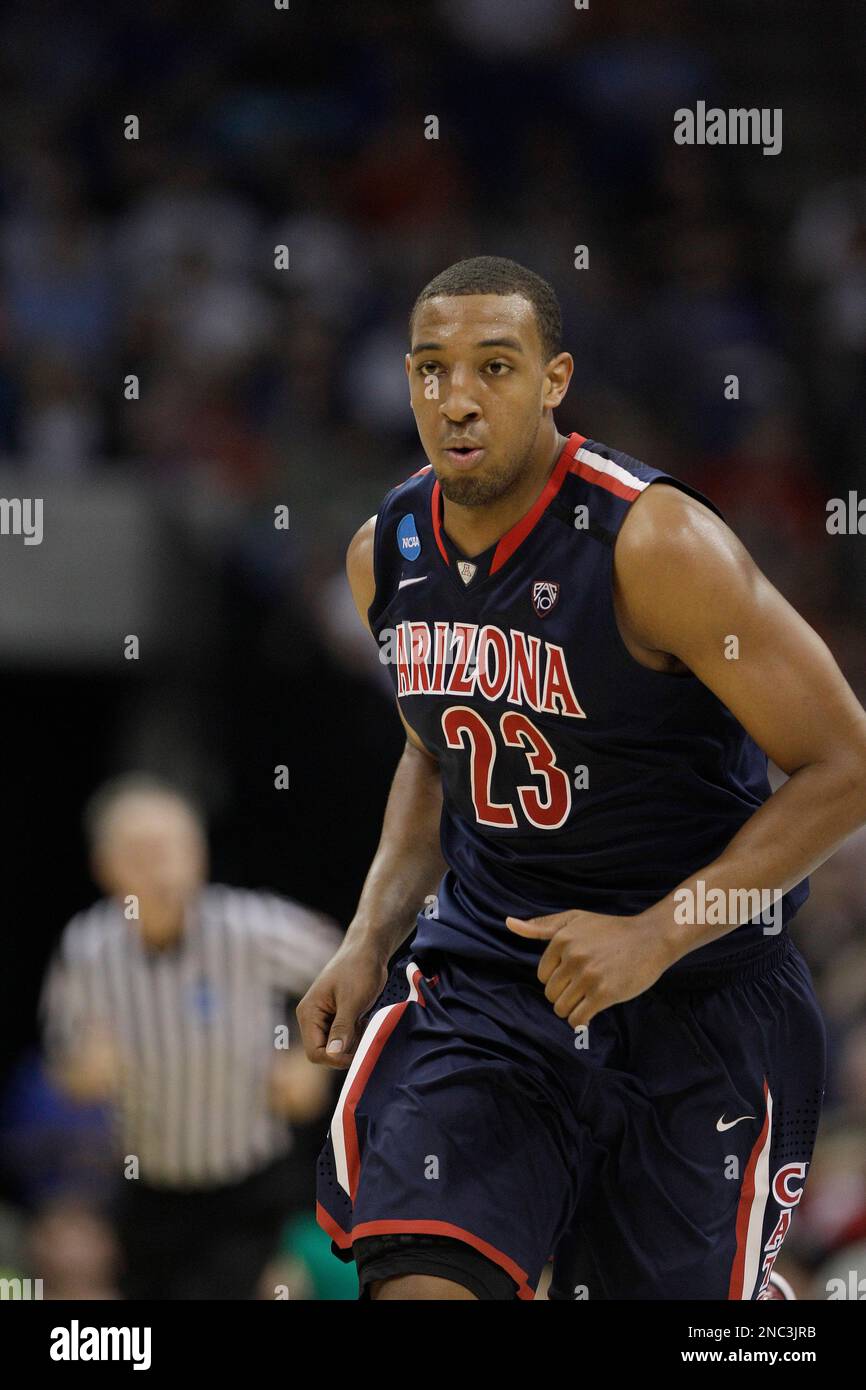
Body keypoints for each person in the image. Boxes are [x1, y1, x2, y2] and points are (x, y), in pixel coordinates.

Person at [300, 255, 866, 1301]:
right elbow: (433, 750)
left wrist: (652, 933)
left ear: (554, 379)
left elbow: (845, 763)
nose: (455, 398)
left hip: (697, 999)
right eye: (429, 369)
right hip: (492, 987)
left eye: (493, 367)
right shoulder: (386, 552)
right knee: (416, 1275)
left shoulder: (655, 543)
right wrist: (368, 935)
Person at [41, 773, 341, 1299]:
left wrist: (309, 1061)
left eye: (175, 845)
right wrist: (81, 1071)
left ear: (199, 852)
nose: (163, 863)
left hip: (250, 1185)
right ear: (105, 865)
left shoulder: (252, 927)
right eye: (143, 850)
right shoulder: (88, 947)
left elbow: (354, 975)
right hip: (148, 1187)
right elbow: (66, 1062)